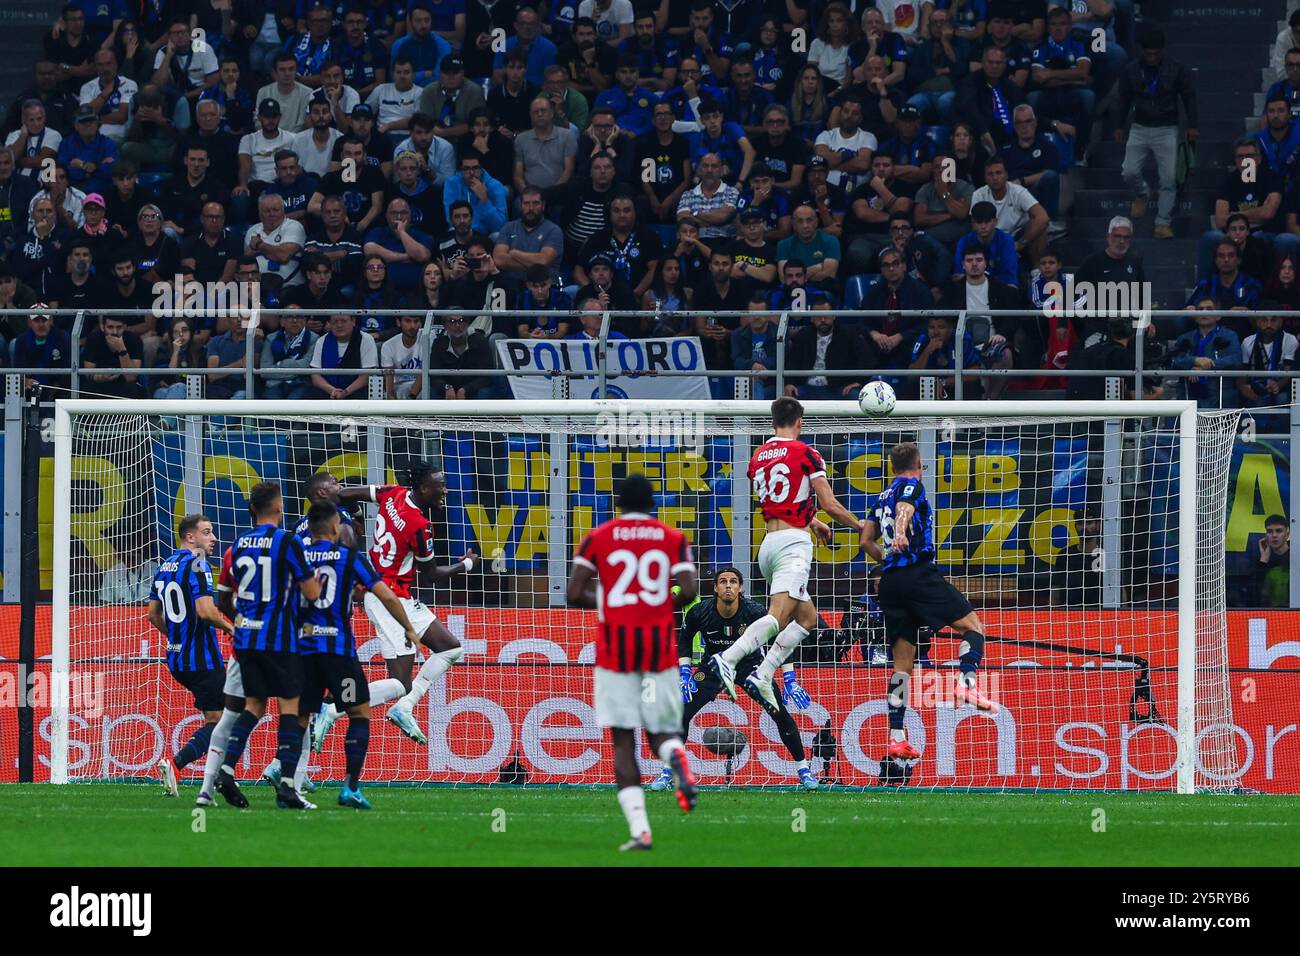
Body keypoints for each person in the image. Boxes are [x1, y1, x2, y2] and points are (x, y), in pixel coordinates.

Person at [566, 473, 699, 850]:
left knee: (623, 740)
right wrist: (655, 604)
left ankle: (641, 831)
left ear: (618, 503)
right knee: (661, 733)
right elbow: (690, 590)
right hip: (658, 651)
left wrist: (615, 603)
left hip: (616, 653)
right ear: (652, 504)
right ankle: (676, 755)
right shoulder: (673, 538)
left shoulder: (598, 537)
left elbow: (574, 593)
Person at [707, 397, 863, 711]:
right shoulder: (807, 453)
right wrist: (861, 527)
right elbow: (830, 504)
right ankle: (729, 658)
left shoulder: (758, 456)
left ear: (773, 421)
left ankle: (764, 673)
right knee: (778, 617)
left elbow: (781, 499)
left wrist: (813, 521)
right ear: (799, 422)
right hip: (793, 545)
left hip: (768, 544)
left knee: (807, 618)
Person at [315, 466, 476, 745]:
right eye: (440, 486)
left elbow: (344, 494)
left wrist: (349, 512)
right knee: (400, 682)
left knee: (450, 648)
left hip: (396, 596)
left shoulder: (393, 493)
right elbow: (431, 575)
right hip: (387, 599)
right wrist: (467, 564)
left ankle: (405, 707)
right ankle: (332, 710)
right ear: (424, 488)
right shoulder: (420, 526)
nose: (445, 490)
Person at [863, 441, 998, 768]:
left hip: (890, 583)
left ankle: (896, 736)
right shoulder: (911, 485)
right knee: (973, 627)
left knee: (902, 667)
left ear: (891, 466)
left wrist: (889, 560)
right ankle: (967, 682)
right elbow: (905, 509)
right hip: (917, 574)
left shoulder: (879, 497)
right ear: (919, 465)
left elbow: (865, 540)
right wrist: (900, 532)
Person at [298, 503, 423, 810]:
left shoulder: (295, 557)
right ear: (334, 527)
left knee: (298, 717)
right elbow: (386, 595)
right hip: (338, 652)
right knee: (359, 712)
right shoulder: (349, 557)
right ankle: (350, 788)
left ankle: (289, 785)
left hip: (303, 650)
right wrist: (408, 628)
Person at [649, 566, 817, 793]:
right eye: (723, 582)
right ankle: (668, 771)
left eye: (733, 582)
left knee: (779, 713)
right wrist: (685, 674)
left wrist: (790, 679)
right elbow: (685, 640)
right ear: (715, 588)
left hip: (750, 667)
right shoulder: (699, 612)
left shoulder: (755, 611)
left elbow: (781, 641)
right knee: (681, 713)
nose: (728, 586)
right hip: (713, 667)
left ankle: (803, 769)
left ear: (740, 588)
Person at [207, 482, 323, 810]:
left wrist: (242, 619)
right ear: (278, 506)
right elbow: (312, 593)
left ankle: (226, 771)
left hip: (246, 639)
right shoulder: (288, 541)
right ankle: (287, 786)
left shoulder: (236, 546)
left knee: (254, 706)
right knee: (290, 708)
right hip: (279, 637)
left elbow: (223, 600)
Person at [148, 513, 235, 799]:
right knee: (225, 720)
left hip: (176, 658)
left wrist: (178, 636)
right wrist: (232, 629)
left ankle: (214, 778)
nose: (213, 538)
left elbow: (153, 615)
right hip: (202, 659)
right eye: (207, 532)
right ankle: (177, 764)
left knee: (216, 717)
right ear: (190, 537)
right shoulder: (198, 563)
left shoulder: (164, 566)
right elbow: (206, 611)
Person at [1112, 28, 1196, 241]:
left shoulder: (1176, 68)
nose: (1152, 58)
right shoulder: (1131, 69)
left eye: (1156, 53)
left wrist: (1192, 124)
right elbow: (1123, 98)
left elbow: (1189, 96)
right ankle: (1142, 193)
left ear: (1162, 50)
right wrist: (1119, 125)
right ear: (1142, 51)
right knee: (1129, 172)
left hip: (1167, 128)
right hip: (1139, 126)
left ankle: (1163, 222)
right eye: (1148, 53)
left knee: (1168, 178)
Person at [972, 153, 1050, 263]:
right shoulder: (978, 195)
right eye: (990, 174)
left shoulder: (1018, 191)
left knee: (1040, 227)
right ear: (985, 178)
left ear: (1006, 175)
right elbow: (975, 225)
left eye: (999, 173)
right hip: (992, 236)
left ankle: (1036, 269)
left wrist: (1020, 244)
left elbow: (1043, 217)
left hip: (1018, 237)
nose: (995, 178)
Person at [784, 307, 871, 400]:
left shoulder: (848, 334)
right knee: (789, 397)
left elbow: (866, 357)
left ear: (833, 316)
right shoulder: (804, 335)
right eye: (818, 316)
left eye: (826, 316)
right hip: (807, 387)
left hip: (839, 388)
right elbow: (792, 361)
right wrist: (789, 383)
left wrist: (859, 382)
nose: (823, 320)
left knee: (855, 396)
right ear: (812, 319)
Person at [1169, 305, 1243, 409]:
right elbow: (1174, 360)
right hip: (1188, 396)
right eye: (1200, 309)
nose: (1204, 312)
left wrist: (1207, 366)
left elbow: (1236, 360)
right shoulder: (1184, 338)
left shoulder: (1229, 335)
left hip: (1221, 397)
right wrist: (1194, 360)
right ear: (1195, 316)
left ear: (1218, 316)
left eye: (1209, 309)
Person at [310, 312, 379, 399]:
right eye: (335, 321)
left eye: (343, 321)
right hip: (329, 392)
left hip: (357, 391)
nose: (339, 325)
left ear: (353, 321)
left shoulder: (366, 339)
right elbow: (315, 375)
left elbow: (367, 375)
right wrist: (333, 391)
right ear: (329, 324)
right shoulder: (322, 341)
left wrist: (346, 392)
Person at [1239, 312, 1298, 409]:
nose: (1269, 325)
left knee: (1282, 399)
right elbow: (1243, 372)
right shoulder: (1248, 342)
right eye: (1264, 320)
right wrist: (1244, 388)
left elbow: (1288, 371)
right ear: (1258, 322)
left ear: (1280, 322)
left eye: (1273, 320)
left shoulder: (1290, 340)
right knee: (1252, 401)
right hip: (1256, 388)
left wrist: (1278, 385)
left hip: (1281, 389)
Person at [83, 312, 143, 398]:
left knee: (132, 388)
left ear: (125, 327)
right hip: (101, 384)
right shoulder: (94, 339)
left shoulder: (133, 339)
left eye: (119, 327)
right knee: (88, 387)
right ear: (102, 327)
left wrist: (121, 349)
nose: (115, 332)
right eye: (110, 327)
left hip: (124, 384)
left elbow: (131, 377)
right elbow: (88, 373)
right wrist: (101, 377)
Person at [260, 308, 318, 400]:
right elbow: (264, 371)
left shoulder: (314, 338)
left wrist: (282, 365)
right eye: (289, 316)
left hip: (301, 383)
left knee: (294, 403)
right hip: (275, 384)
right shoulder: (271, 338)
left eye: (298, 317)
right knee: (272, 402)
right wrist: (294, 372)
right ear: (282, 322)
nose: (294, 320)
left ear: (304, 321)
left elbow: (307, 365)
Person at [1052, 506, 1103, 608]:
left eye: (1089, 523)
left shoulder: (1107, 554)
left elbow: (1119, 590)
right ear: (1075, 526)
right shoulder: (1065, 555)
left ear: (1098, 525)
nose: (1084, 527)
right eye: (1080, 523)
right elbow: (1055, 592)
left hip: (1102, 613)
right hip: (1070, 612)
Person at [1256, 514, 1291, 608]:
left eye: (1279, 531)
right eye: (1270, 531)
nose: (1274, 535)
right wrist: (1264, 559)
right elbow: (1256, 592)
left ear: (1287, 533)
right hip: (1271, 612)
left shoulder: (1295, 555)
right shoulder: (1263, 559)